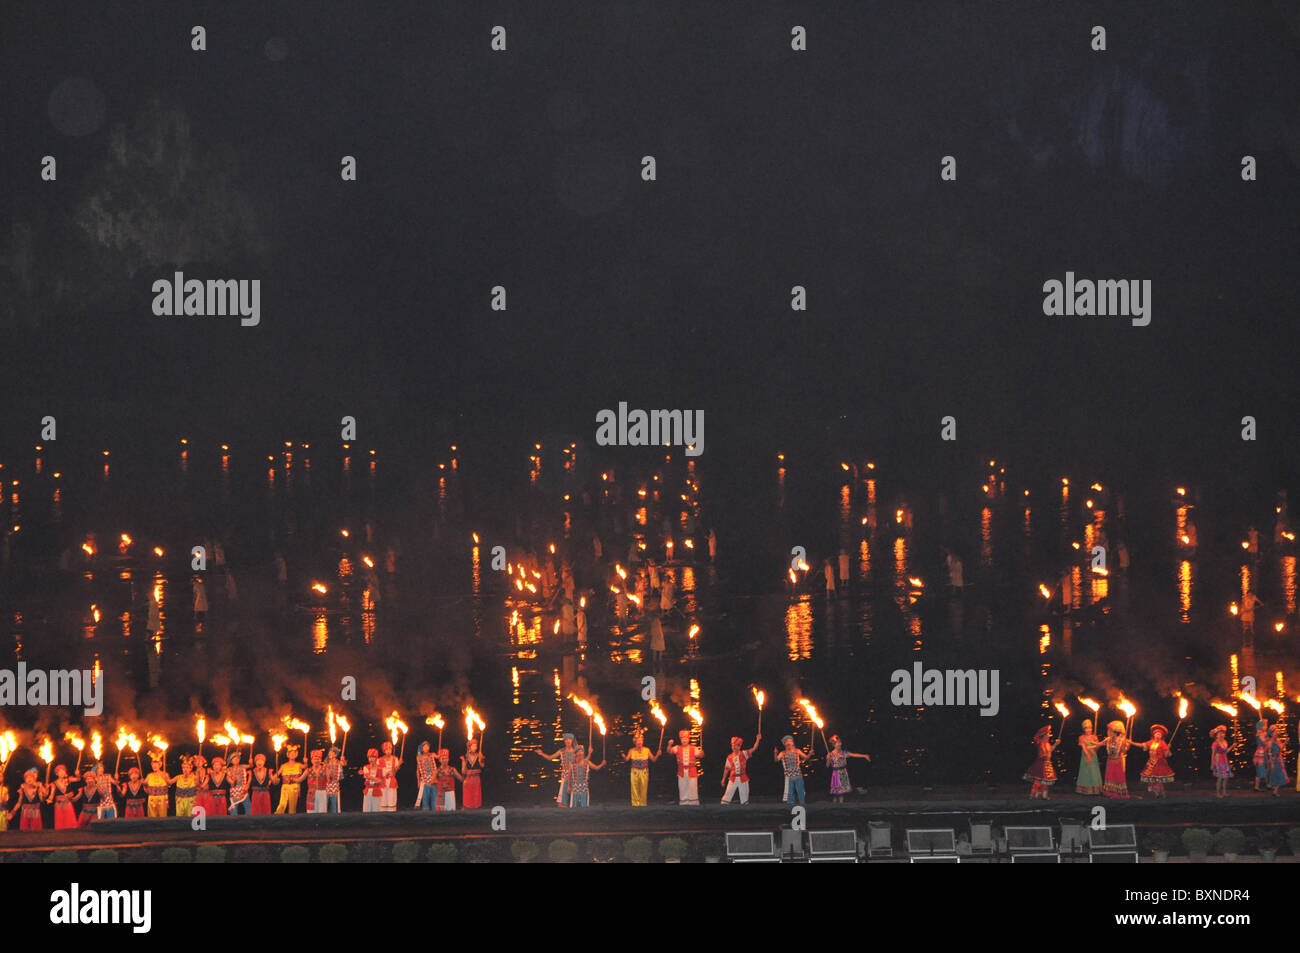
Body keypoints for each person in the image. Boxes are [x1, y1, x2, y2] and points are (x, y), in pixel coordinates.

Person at [535, 733, 579, 807]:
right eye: (566, 739)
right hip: (565, 776)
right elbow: (550, 757)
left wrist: (589, 753)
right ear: (564, 741)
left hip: (575, 775)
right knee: (562, 802)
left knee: (574, 799)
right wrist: (542, 753)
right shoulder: (561, 751)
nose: (568, 741)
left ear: (572, 741)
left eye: (570, 739)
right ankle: (564, 804)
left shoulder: (577, 750)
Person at [825, 734, 869, 802]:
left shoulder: (843, 753)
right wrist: (828, 759)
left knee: (841, 793)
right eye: (838, 743)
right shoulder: (831, 755)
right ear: (834, 745)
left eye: (840, 742)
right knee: (836, 794)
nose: (840, 744)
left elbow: (853, 754)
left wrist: (864, 756)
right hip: (836, 774)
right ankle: (834, 806)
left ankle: (841, 805)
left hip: (843, 773)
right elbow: (827, 766)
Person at [1134, 725, 1174, 798]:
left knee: (1158, 780)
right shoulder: (1151, 742)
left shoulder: (1163, 743)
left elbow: (1166, 754)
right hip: (1151, 764)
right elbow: (1142, 745)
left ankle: (1160, 793)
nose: (1158, 735)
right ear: (1154, 735)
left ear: (1161, 736)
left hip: (1160, 764)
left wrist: (1168, 748)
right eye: (1156, 734)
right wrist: (1132, 743)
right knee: (1151, 779)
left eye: (1160, 734)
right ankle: (1153, 793)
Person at [721, 734, 761, 804]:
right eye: (733, 745)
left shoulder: (743, 754)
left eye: (736, 745)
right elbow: (726, 769)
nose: (734, 747)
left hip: (743, 778)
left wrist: (758, 739)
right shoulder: (729, 757)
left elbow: (754, 748)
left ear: (739, 746)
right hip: (732, 779)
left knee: (744, 799)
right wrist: (723, 779)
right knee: (726, 797)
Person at [623, 729, 660, 806]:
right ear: (635, 742)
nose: (639, 742)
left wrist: (657, 754)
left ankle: (643, 804)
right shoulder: (631, 750)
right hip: (635, 772)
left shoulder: (647, 750)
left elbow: (653, 759)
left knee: (643, 788)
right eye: (638, 741)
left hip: (644, 771)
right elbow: (627, 759)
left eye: (641, 741)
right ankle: (635, 804)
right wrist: (623, 756)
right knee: (634, 788)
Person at [667, 729, 704, 805]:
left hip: (692, 770)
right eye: (682, 738)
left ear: (688, 739)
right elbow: (669, 751)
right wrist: (669, 744)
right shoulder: (677, 747)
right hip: (681, 771)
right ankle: (684, 802)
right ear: (680, 739)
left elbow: (700, 756)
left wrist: (702, 753)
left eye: (686, 738)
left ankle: (693, 802)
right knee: (682, 786)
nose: (684, 740)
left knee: (693, 786)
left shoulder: (693, 748)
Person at [1024, 726, 1060, 799]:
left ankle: (1044, 795)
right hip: (1041, 763)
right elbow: (1042, 754)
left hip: (1047, 763)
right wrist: (1046, 756)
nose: (1049, 735)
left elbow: (1050, 750)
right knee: (1038, 780)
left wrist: (1055, 744)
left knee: (1045, 781)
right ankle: (1034, 794)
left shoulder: (1047, 744)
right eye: (1048, 734)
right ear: (1044, 736)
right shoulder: (1041, 744)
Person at [774, 736, 810, 804]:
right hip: (788, 776)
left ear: (793, 743)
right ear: (785, 744)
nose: (789, 742)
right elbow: (776, 760)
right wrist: (775, 753)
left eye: (790, 741)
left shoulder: (797, 751)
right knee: (790, 793)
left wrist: (810, 754)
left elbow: (806, 758)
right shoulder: (782, 753)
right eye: (787, 741)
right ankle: (790, 807)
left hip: (798, 775)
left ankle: (802, 804)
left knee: (800, 791)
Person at [1102, 721, 1131, 798]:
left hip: (1118, 761)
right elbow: (1099, 744)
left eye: (1111, 731)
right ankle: (1110, 793)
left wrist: (1125, 746)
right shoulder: (1108, 740)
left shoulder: (1121, 740)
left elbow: (1124, 751)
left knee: (1118, 776)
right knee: (1110, 776)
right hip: (1110, 761)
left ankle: (1119, 793)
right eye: (1109, 731)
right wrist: (1091, 745)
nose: (1109, 733)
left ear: (1115, 733)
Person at [1074, 719, 1103, 795]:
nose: (1089, 730)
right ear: (1084, 729)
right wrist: (1088, 756)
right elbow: (1083, 747)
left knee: (1094, 771)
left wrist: (1095, 745)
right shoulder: (1081, 737)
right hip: (1085, 756)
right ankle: (1084, 789)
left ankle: (1096, 789)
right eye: (1087, 728)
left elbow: (1097, 747)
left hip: (1093, 756)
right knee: (1086, 771)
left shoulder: (1094, 737)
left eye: (1090, 728)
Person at [274, 744, 305, 813]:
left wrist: (305, 762)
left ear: (296, 754)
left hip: (295, 787)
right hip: (285, 787)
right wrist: (273, 779)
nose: (292, 755)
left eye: (294, 753)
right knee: (282, 804)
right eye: (291, 753)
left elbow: (306, 768)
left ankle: (292, 822)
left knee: (292, 807)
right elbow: (276, 774)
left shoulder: (299, 765)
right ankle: (277, 818)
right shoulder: (283, 766)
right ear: (288, 754)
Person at [1210, 725, 1235, 798]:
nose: (1222, 735)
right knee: (1220, 778)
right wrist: (1212, 763)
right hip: (1218, 760)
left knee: (1226, 777)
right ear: (1216, 735)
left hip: (1224, 760)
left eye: (1223, 733)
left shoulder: (1225, 742)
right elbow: (1213, 754)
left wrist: (1232, 747)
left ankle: (1224, 792)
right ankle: (1217, 793)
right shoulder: (1215, 743)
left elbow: (1226, 751)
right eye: (1220, 733)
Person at [376, 740, 401, 812]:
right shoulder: (379, 760)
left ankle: (392, 812)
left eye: (390, 749)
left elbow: (395, 771)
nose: (388, 751)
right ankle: (383, 813)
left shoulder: (395, 759)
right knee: (383, 798)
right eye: (386, 749)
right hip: (383, 781)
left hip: (392, 781)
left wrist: (398, 766)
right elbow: (378, 771)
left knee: (392, 797)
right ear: (384, 750)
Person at [461, 739, 484, 809]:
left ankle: (476, 809)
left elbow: (482, 766)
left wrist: (481, 759)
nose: (475, 747)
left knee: (476, 795)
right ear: (469, 747)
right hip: (468, 779)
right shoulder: (465, 757)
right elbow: (463, 771)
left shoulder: (479, 756)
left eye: (476, 746)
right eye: (473, 746)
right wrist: (465, 762)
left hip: (476, 778)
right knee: (468, 795)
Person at [1265, 729, 1289, 796]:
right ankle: (1274, 790)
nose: (1277, 733)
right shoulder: (1270, 742)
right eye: (1276, 732)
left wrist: (1285, 742)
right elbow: (1269, 753)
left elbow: (1281, 749)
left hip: (1279, 759)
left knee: (1279, 774)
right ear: (1272, 734)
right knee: (1277, 774)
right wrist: (1272, 762)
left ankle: (1274, 790)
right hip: (1274, 759)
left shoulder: (1277, 741)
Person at [415, 741, 437, 810]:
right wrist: (418, 781)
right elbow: (418, 771)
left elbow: (439, 757)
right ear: (422, 748)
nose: (426, 748)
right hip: (424, 782)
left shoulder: (432, 754)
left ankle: (435, 814)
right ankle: (425, 815)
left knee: (434, 800)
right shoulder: (419, 757)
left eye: (428, 746)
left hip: (433, 781)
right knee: (425, 800)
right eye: (425, 747)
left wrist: (439, 755)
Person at [227, 751, 250, 815]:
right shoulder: (229, 769)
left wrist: (251, 762)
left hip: (244, 791)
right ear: (231, 761)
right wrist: (233, 781)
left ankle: (249, 823)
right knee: (233, 810)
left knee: (248, 808)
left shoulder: (243, 767)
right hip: (234, 791)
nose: (236, 760)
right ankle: (233, 823)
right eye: (234, 759)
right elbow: (229, 779)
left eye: (237, 758)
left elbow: (251, 766)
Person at [304, 749, 327, 813]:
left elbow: (330, 778)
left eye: (318, 759)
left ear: (321, 760)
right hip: (311, 793)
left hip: (322, 792)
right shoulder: (308, 770)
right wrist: (291, 779)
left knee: (322, 811)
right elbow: (300, 779)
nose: (316, 760)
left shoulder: (325, 769)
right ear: (311, 760)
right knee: (311, 812)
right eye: (314, 759)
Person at [324, 746, 345, 812]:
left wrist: (343, 760)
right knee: (324, 807)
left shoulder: (339, 763)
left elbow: (343, 765)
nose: (330, 754)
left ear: (335, 754)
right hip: (326, 786)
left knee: (334, 807)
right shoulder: (326, 763)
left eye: (332, 752)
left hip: (335, 786)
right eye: (329, 752)